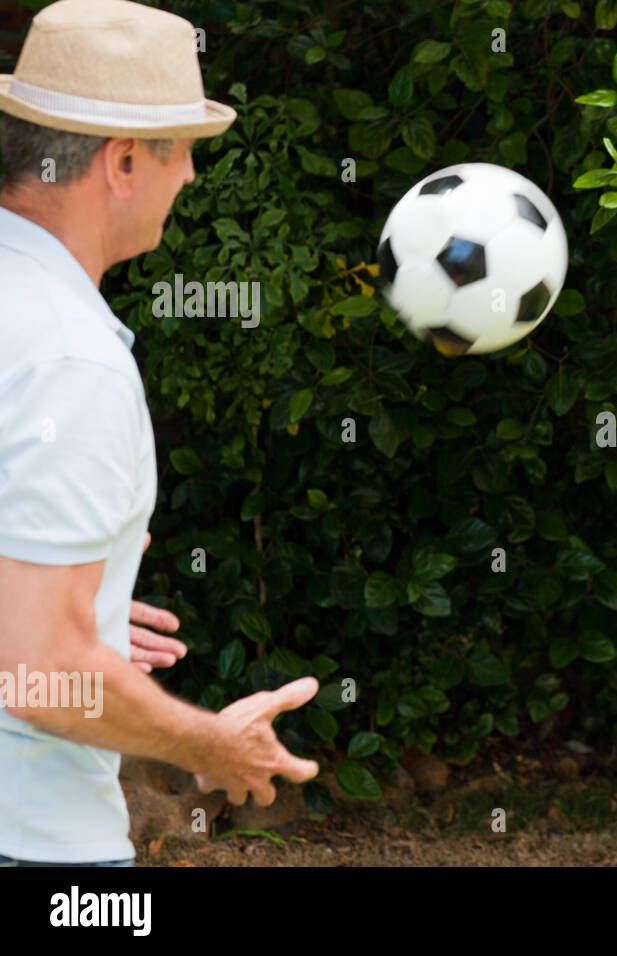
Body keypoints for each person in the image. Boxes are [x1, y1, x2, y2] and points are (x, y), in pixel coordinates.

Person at [0, 0, 318, 867]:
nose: (190, 182)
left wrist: (58, 598)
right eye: (185, 155)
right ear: (127, 160)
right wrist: (209, 744)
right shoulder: (72, 358)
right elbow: (36, 670)